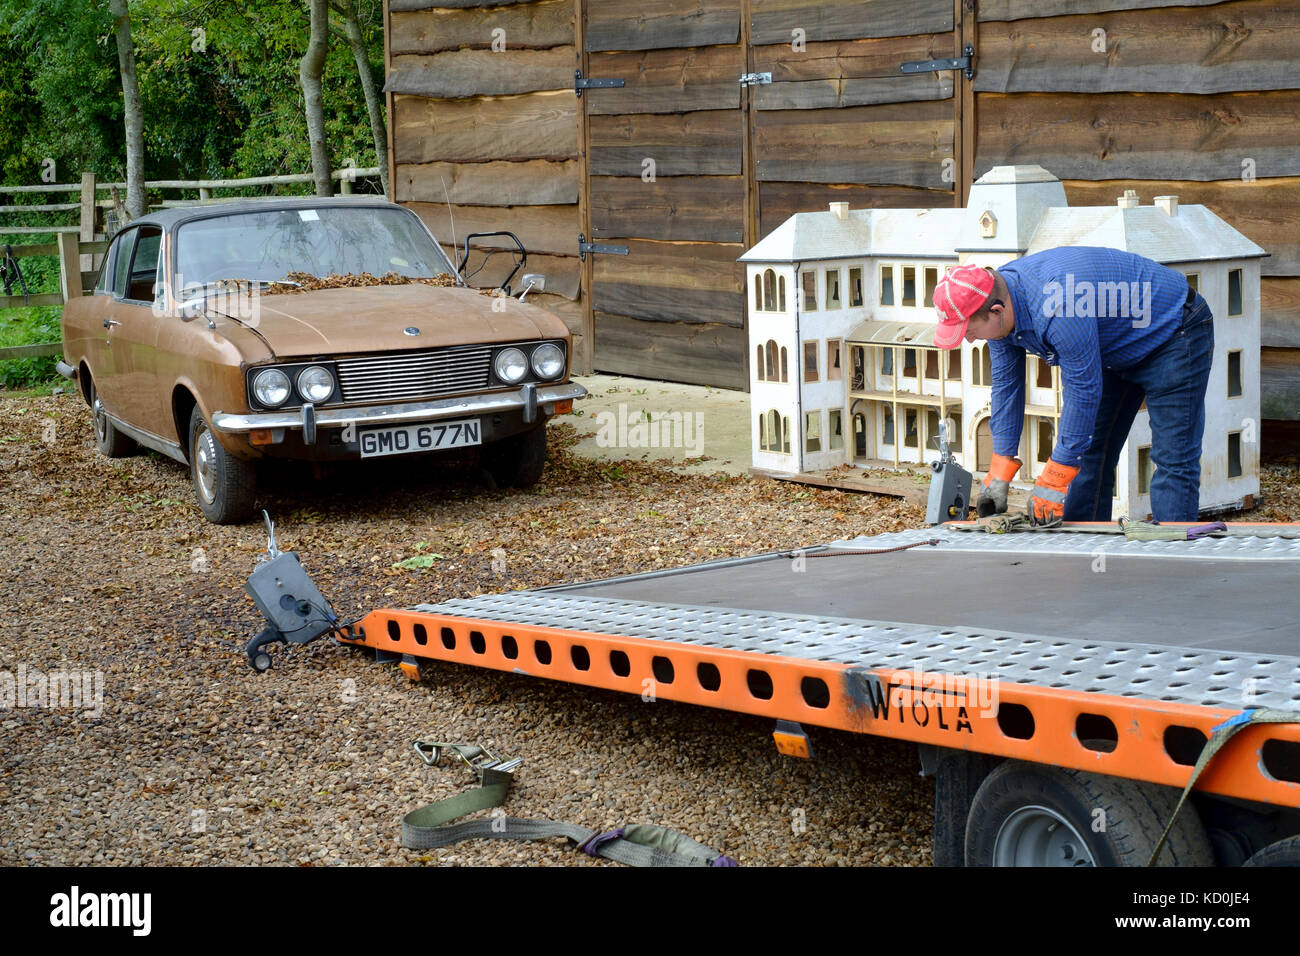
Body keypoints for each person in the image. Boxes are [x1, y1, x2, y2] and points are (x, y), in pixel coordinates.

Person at [931, 248, 1214, 523]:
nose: (969, 340)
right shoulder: (998, 298)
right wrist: (1000, 467)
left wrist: (1054, 478)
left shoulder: (1059, 305)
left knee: (1172, 458)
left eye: (969, 331)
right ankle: (1083, 551)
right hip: (1114, 347)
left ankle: (1173, 557)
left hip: (1174, 332)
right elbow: (1006, 386)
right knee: (1089, 453)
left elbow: (1082, 392)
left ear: (996, 311)